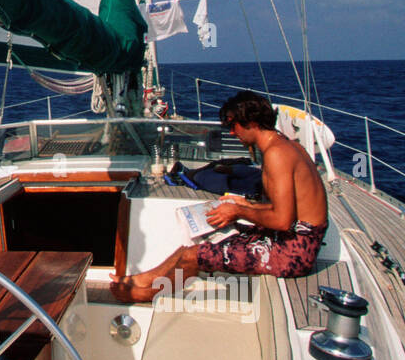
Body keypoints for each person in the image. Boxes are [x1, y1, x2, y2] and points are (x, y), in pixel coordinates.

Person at [112, 90, 329, 302]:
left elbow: (282, 220)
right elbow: (288, 210)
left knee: (194, 256)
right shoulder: (285, 145)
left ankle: (146, 294)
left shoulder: (276, 154)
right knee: (186, 249)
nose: (232, 133)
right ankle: (142, 279)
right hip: (292, 241)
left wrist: (238, 211)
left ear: (251, 122)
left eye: (233, 125)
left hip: (293, 253)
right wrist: (246, 204)